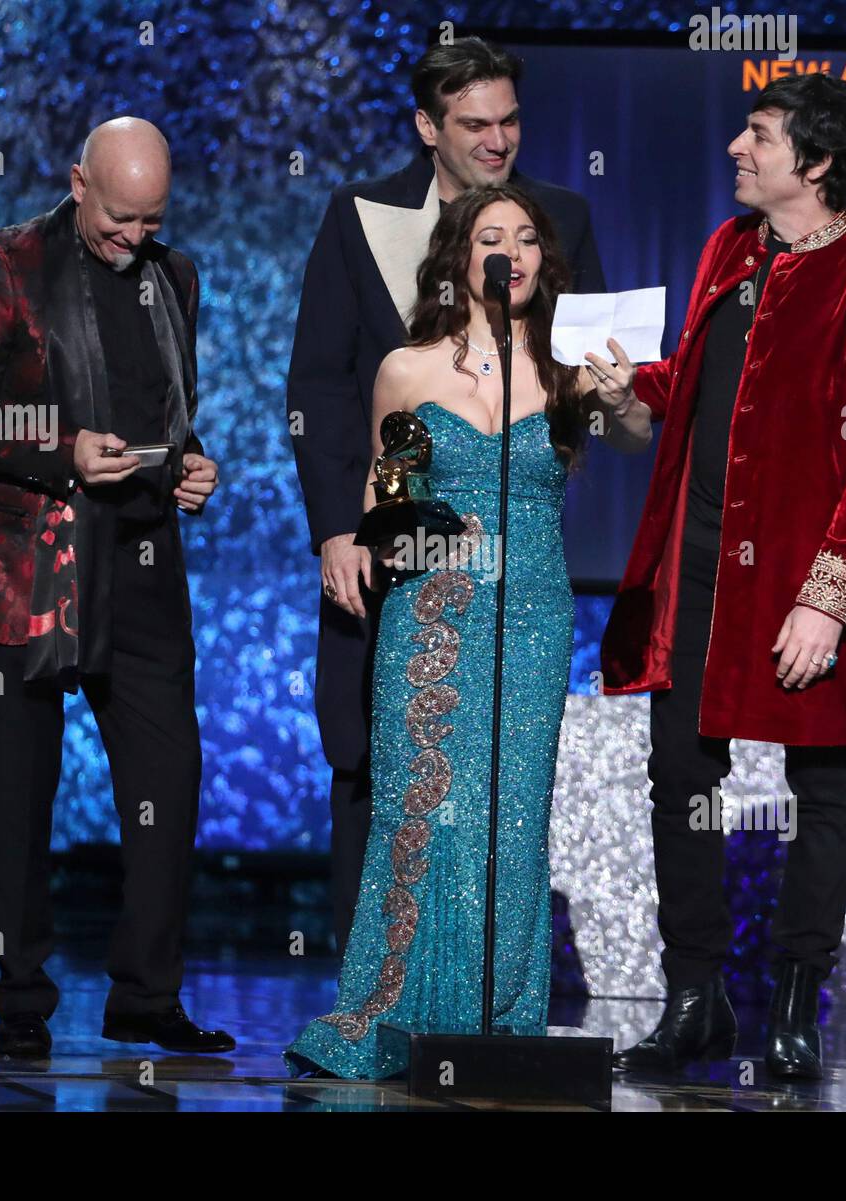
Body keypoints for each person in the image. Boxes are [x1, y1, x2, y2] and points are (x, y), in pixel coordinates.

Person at [602, 73, 846, 1081]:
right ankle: (693, 1000)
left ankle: (796, 1003)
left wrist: (827, 602)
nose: (736, 149)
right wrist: (629, 386)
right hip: (699, 563)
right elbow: (698, 379)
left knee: (821, 785)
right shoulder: (727, 249)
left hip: (806, 579)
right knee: (680, 778)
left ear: (815, 162)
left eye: (758, 135)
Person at [284, 183, 650, 1078]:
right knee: (424, 807)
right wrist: (386, 539)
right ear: (459, 254)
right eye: (493, 236)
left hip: (532, 615)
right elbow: (384, 492)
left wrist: (624, 396)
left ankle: (500, 1016)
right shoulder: (407, 369)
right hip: (433, 615)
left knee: (512, 815)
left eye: (527, 238)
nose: (511, 252)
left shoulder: (569, 368)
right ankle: (393, 1008)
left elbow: (636, 434)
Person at [0, 117, 234, 1059]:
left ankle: (146, 994)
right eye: (120, 218)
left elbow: (164, 408)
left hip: (142, 564)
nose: (135, 237)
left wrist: (190, 464)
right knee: (20, 794)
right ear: (78, 182)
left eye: (152, 220)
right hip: (28, 567)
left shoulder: (176, 277)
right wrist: (63, 451)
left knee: (169, 783)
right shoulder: (4, 263)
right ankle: (21, 998)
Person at [286, 36, 606, 956]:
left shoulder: (559, 218)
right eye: (474, 124)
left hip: (511, 558)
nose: (497, 141)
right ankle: (372, 985)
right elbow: (320, 384)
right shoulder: (359, 216)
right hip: (389, 542)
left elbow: (588, 372)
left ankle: (477, 984)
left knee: (500, 772)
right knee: (371, 754)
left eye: (510, 121)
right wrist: (337, 529)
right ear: (429, 127)